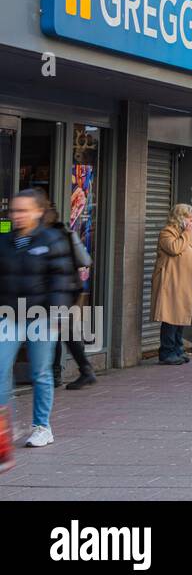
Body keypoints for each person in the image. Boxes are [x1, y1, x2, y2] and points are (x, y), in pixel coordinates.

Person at [0, 189, 78, 448]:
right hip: (9, 315)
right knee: (1, 369)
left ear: (38, 212)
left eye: (24, 210)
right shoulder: (5, 242)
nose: (17, 215)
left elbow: (61, 281)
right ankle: (4, 428)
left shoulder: (52, 239)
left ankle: (42, 427)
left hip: (42, 316)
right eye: (14, 210)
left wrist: (56, 315)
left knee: (40, 372)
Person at [46, 206, 96, 390]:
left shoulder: (52, 237)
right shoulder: (65, 233)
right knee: (62, 332)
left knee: (57, 332)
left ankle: (57, 373)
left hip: (58, 292)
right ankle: (82, 370)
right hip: (66, 291)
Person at [152, 204, 192, 365]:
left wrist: (190, 234)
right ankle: (167, 352)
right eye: (189, 217)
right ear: (179, 218)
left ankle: (178, 349)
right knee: (171, 318)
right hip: (172, 284)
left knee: (181, 318)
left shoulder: (187, 234)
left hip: (186, 283)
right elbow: (175, 248)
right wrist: (187, 233)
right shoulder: (167, 233)